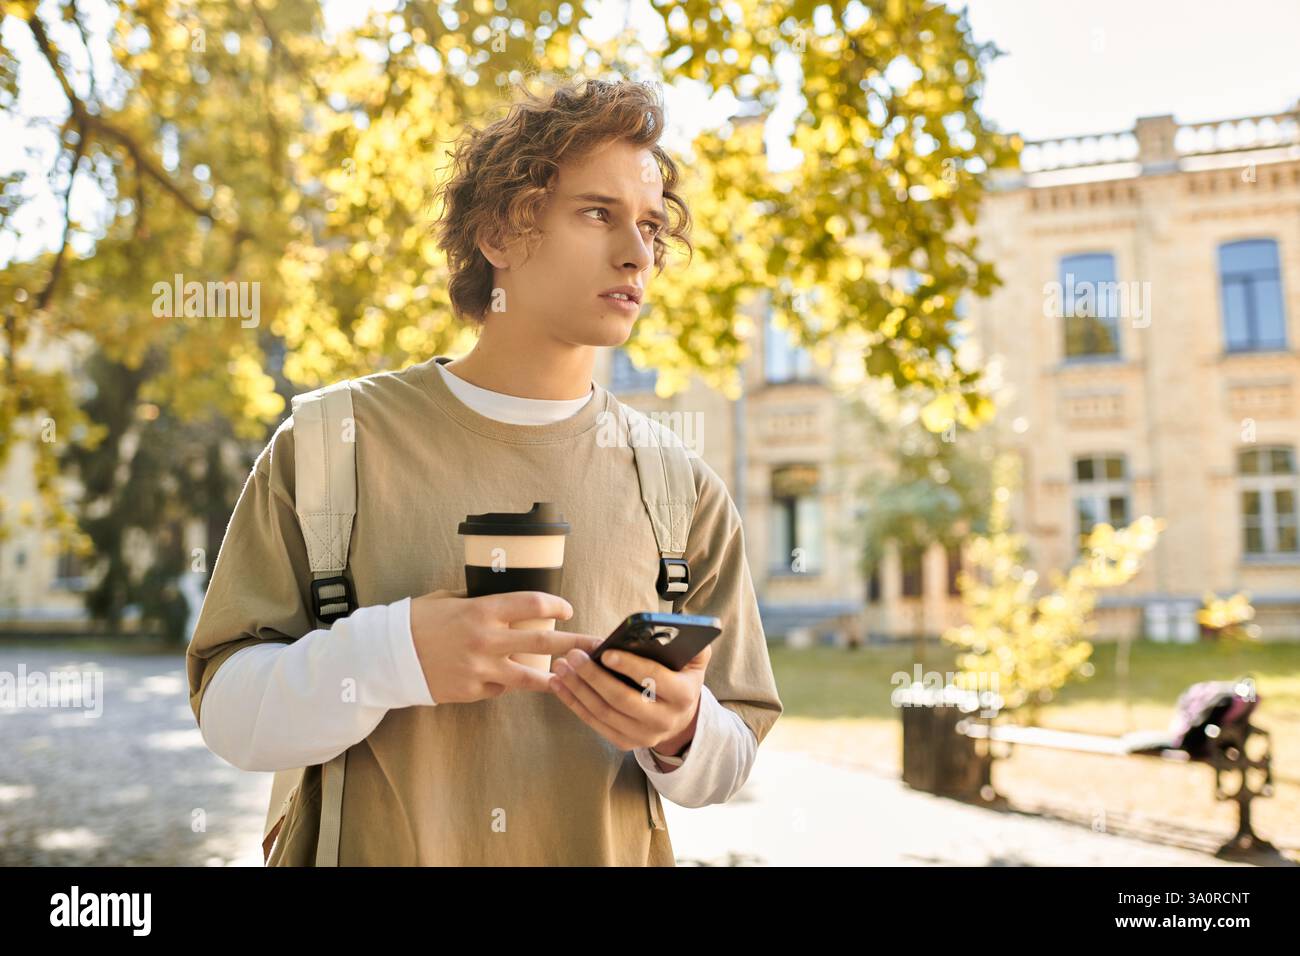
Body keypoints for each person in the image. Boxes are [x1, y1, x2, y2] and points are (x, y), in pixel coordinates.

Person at [186, 75, 783, 866]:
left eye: (647, 225)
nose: (637, 252)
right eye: (597, 213)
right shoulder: (330, 443)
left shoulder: (681, 486)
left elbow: (733, 750)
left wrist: (680, 732)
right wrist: (389, 656)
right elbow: (226, 712)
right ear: (501, 235)